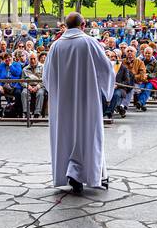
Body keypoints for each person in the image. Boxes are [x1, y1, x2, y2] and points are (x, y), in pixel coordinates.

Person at [42, 12, 115, 195]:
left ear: (66, 26)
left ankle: (75, 173)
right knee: (90, 136)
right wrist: (107, 93)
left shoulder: (56, 46)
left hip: (64, 103)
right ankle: (92, 174)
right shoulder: (90, 43)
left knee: (67, 137)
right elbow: (106, 69)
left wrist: (57, 92)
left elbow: (46, 76)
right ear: (83, 25)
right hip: (86, 99)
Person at [22, 52, 47, 118]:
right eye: (31, 59)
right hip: (29, 86)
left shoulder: (43, 67)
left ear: (37, 59)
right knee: (24, 93)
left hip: (40, 86)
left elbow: (45, 79)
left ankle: (37, 113)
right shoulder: (25, 69)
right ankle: (26, 112)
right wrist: (28, 86)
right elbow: (22, 81)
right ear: (28, 59)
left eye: (34, 59)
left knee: (40, 93)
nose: (32, 60)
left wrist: (38, 86)